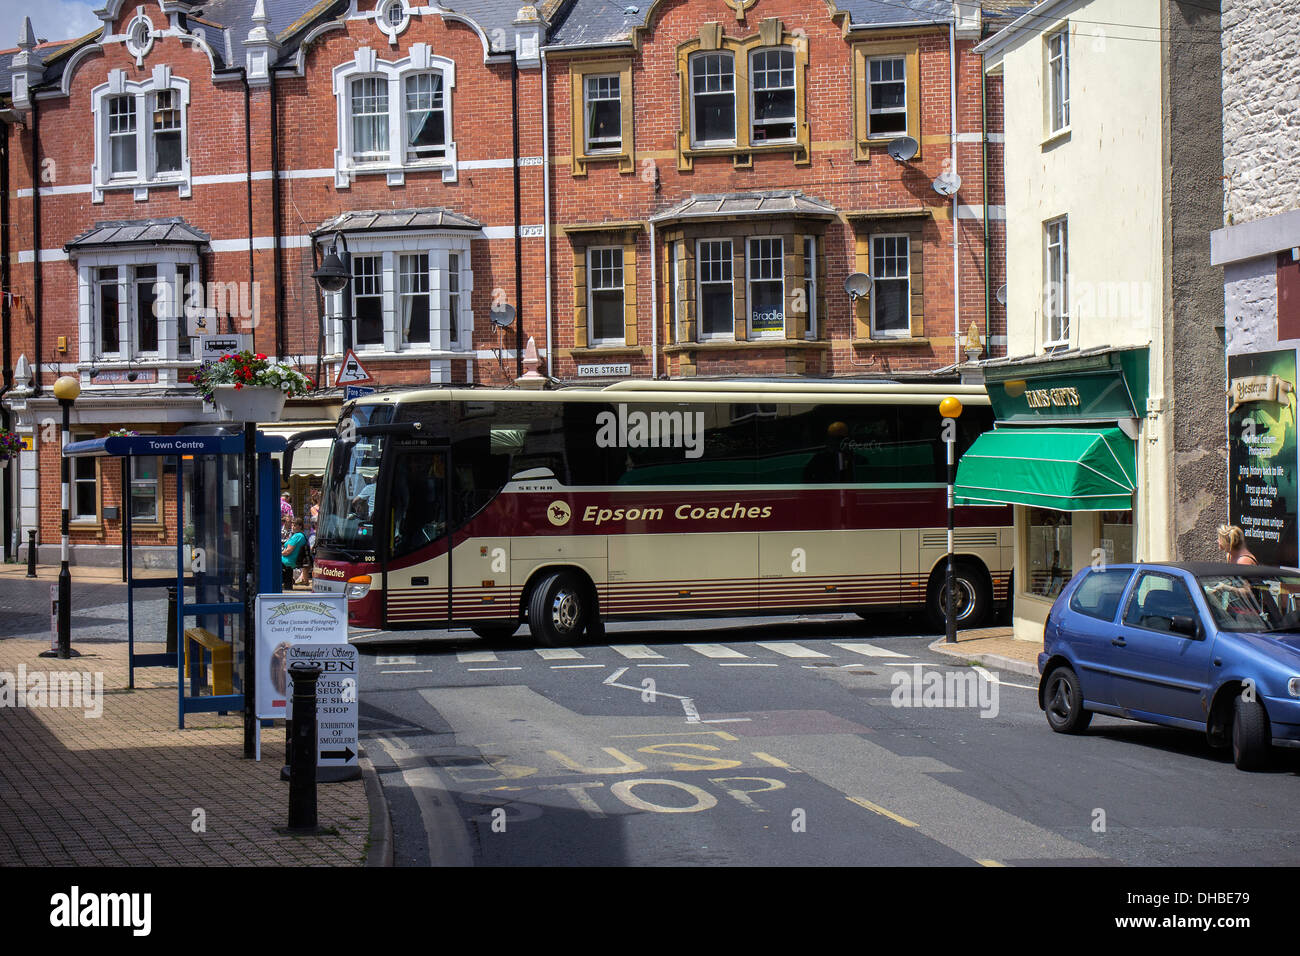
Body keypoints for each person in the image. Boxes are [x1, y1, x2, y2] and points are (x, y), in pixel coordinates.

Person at [281, 518, 308, 588]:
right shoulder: (302, 535)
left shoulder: (297, 536)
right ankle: (287, 583)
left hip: (288, 561)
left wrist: (278, 554)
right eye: (292, 525)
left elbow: (288, 551)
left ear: (300, 526)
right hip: (292, 560)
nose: (292, 527)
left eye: (295, 525)